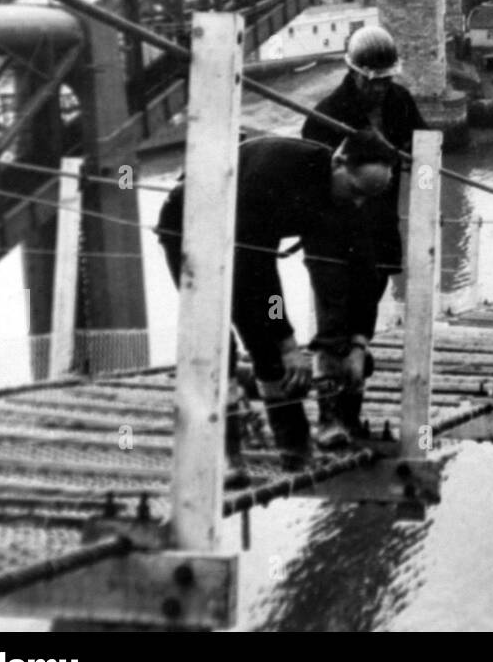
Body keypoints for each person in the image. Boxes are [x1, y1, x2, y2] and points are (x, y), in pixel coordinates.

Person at [156, 130, 398, 472]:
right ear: (339, 162)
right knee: (222, 338)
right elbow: (259, 275)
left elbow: (363, 272)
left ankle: (294, 450)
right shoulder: (275, 174)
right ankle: (226, 454)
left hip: (242, 244)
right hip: (188, 228)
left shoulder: (345, 195)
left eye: (368, 198)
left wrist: (359, 343)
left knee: (264, 346)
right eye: (356, 192)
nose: (359, 204)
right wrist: (287, 341)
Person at [302, 25, 427, 446]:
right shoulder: (326, 114)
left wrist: (404, 159)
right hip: (334, 237)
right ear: (354, 74)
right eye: (373, 82)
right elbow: (313, 183)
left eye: (387, 80)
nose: (380, 89)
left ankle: (350, 418)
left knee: (362, 324)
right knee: (333, 320)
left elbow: (427, 149)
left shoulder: (400, 101)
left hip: (378, 231)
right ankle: (327, 419)